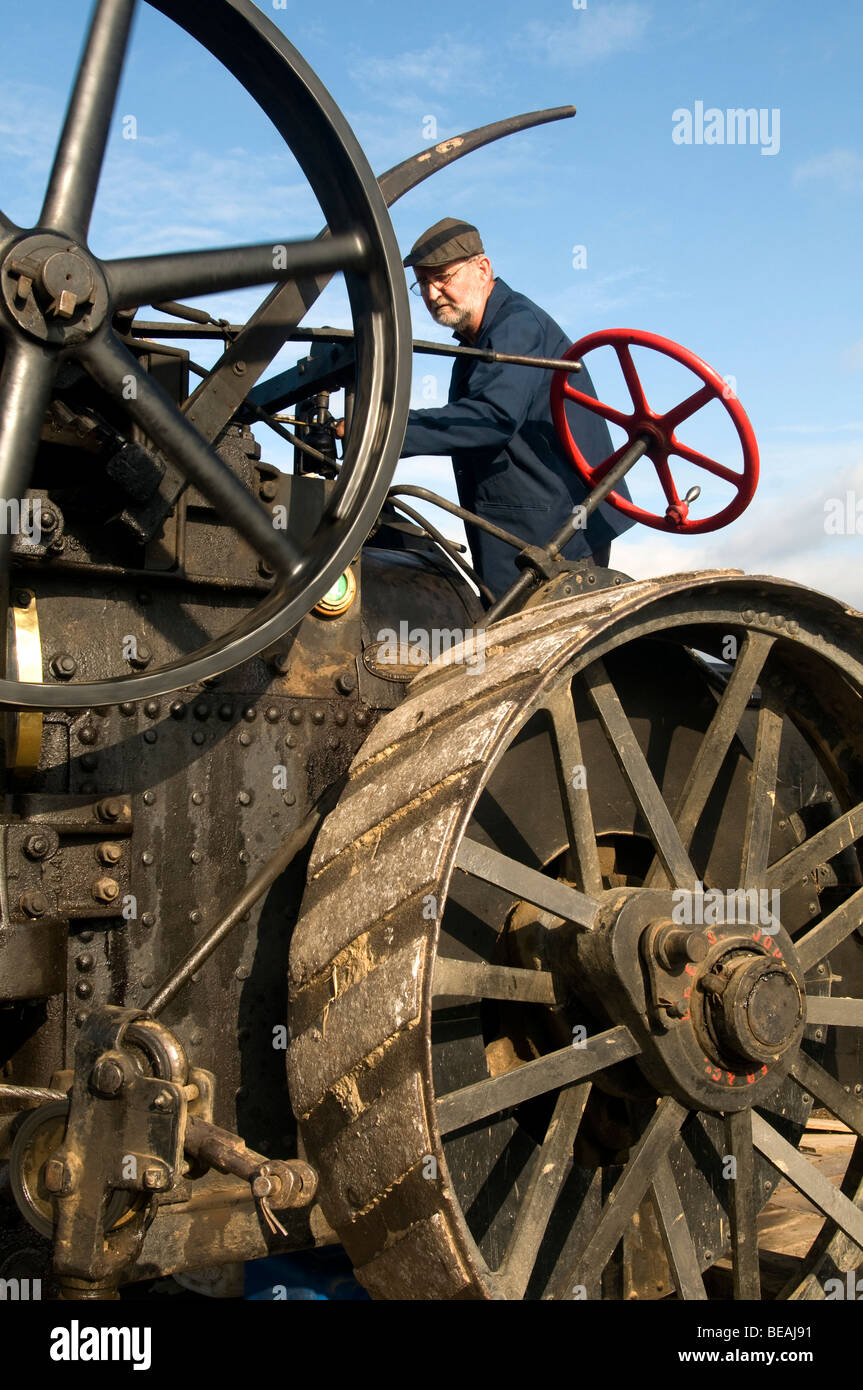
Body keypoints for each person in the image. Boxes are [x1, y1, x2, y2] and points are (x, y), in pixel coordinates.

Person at [394, 217, 635, 600]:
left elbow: (491, 419)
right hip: (521, 534)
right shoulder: (474, 345)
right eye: (422, 283)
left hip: (557, 537)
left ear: (482, 268)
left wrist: (386, 432)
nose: (433, 293)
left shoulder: (516, 326)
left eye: (442, 278)